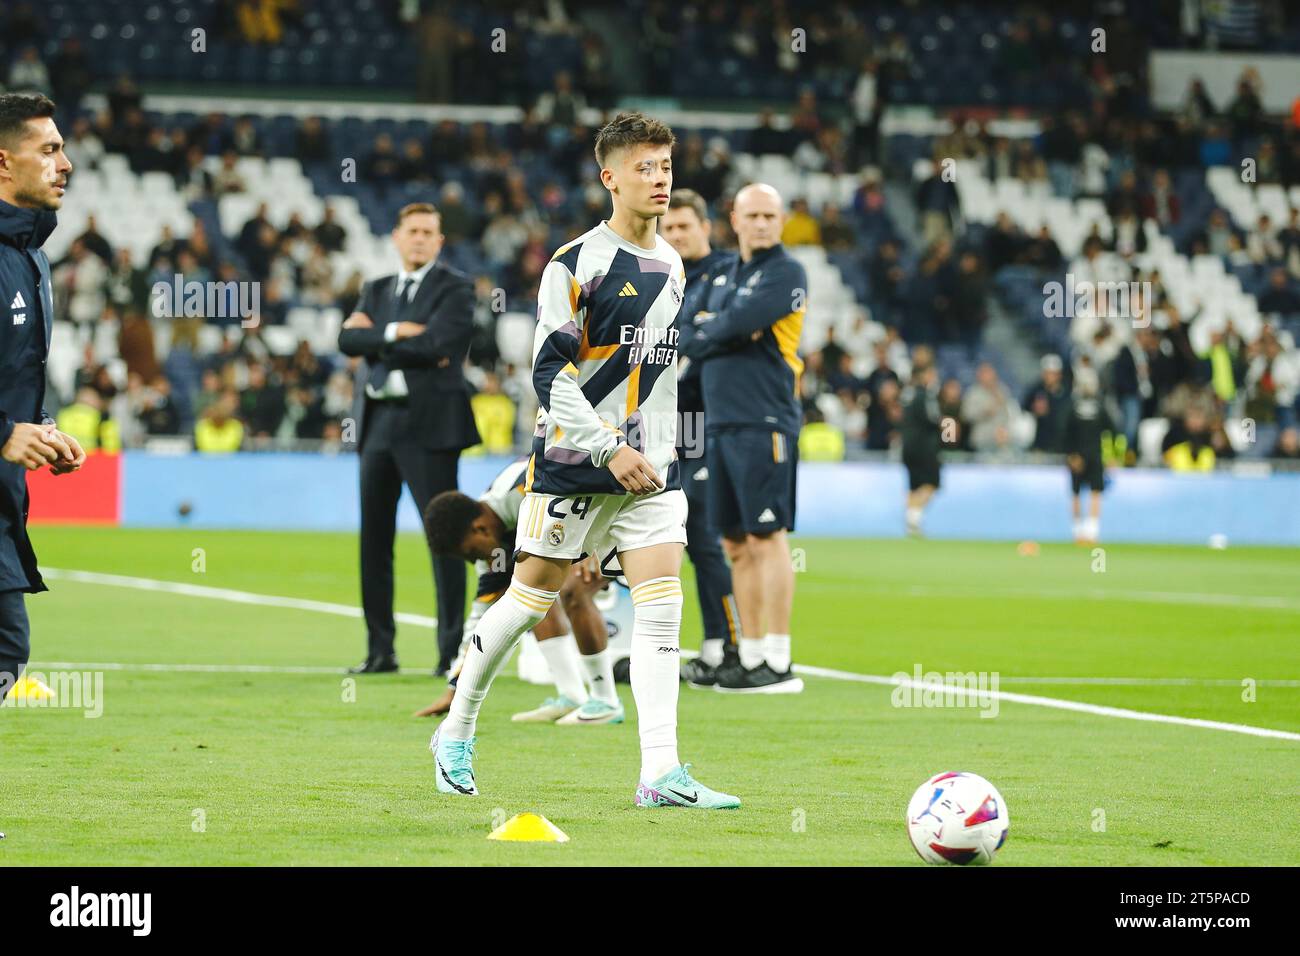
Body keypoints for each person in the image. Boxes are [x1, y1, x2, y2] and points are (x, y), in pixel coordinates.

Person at [430, 112, 739, 808]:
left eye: (665, 167)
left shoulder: (674, 264)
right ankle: (456, 730)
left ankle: (660, 772)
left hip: (651, 469)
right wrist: (608, 447)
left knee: (662, 610)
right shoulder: (575, 265)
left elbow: (652, 377)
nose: (659, 179)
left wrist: (646, 452)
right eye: (643, 168)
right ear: (610, 178)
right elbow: (549, 376)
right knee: (526, 600)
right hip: (577, 461)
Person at [338, 203, 479, 676]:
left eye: (428, 233)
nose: (419, 239)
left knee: (445, 539)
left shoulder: (455, 287)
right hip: (377, 425)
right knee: (373, 541)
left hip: (430, 428)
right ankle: (381, 651)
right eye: (412, 231)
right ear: (396, 237)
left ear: (439, 242)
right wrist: (399, 332)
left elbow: (440, 344)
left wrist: (376, 338)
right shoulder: (376, 289)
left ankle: (450, 653)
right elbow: (346, 342)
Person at [681, 183, 807, 694]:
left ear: (780, 221)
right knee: (734, 541)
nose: (761, 224)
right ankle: (748, 655)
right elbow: (691, 329)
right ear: (733, 219)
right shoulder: (726, 273)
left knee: (767, 536)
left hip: (765, 419)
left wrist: (718, 327)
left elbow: (731, 324)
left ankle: (777, 659)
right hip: (719, 423)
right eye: (752, 215)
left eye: (769, 216)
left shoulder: (786, 272)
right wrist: (720, 328)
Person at [416, 458, 624, 725]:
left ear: (479, 528)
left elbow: (580, 474)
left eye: (470, 553)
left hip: (617, 508)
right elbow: (479, 623)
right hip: (577, 525)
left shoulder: (522, 490)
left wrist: (592, 540)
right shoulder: (494, 551)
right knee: (530, 595)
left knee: (574, 588)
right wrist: (455, 689)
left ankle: (606, 702)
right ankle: (572, 697)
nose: (473, 562)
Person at [0, 93, 86, 701]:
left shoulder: (31, 258)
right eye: (49, 149)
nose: (66, 163)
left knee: (6, 646)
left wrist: (40, 428)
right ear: (4, 162)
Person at [659, 188, 742, 687]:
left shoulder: (726, 272)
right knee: (680, 537)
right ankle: (709, 646)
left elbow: (699, 336)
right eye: (668, 228)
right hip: (671, 426)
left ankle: (729, 645)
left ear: (705, 226)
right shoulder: (659, 275)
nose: (675, 235)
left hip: (711, 421)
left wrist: (689, 333)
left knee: (708, 536)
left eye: (683, 227)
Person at [1063, 368, 1116, 545]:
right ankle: (1089, 532)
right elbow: (1113, 431)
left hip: (1081, 456)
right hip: (1093, 455)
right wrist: (1112, 455)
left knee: (1079, 493)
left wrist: (1071, 455)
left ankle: (1081, 532)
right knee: (1092, 493)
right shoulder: (1100, 406)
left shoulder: (1072, 406)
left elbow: (1064, 432)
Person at [900, 349, 942, 537]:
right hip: (924, 446)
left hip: (907, 445)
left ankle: (911, 521)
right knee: (932, 483)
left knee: (914, 485)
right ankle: (913, 517)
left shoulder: (907, 394)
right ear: (924, 375)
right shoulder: (926, 396)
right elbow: (932, 419)